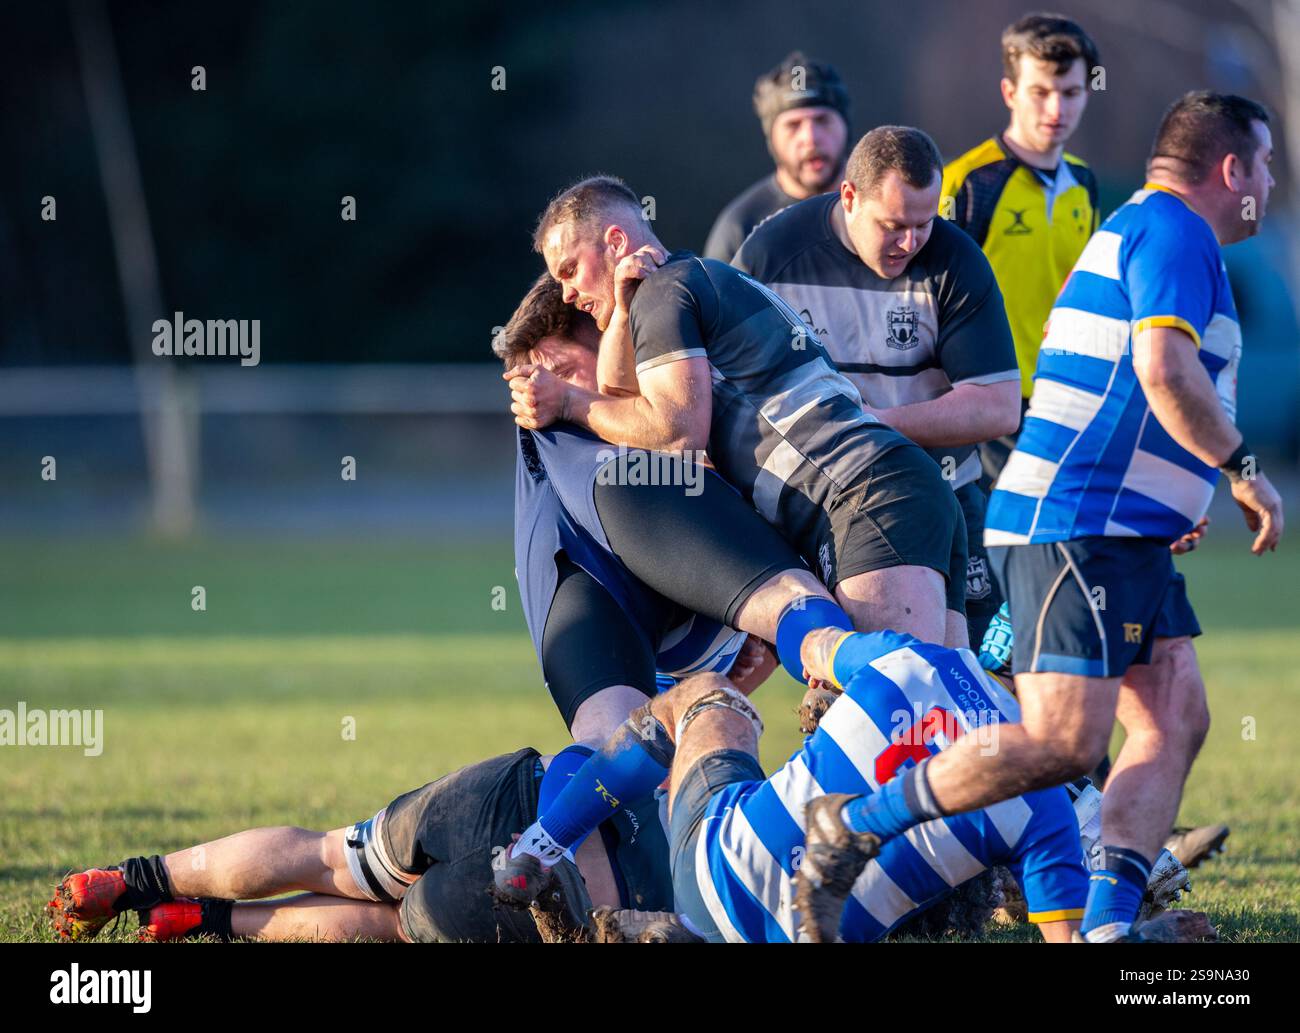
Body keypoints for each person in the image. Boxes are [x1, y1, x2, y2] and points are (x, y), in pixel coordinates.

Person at [795, 91, 1283, 946]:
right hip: (1078, 525)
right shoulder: (1177, 231)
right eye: (1268, 165)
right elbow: (1162, 367)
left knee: (1174, 718)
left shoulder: (1145, 226)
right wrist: (1240, 469)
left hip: (1114, 524)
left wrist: (1166, 491)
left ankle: (1103, 932)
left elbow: (1111, 386)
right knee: (1062, 741)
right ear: (1231, 170)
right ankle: (855, 823)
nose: (1272, 184)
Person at [493, 273, 857, 902]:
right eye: (529, 376)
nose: (535, 390)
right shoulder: (600, 426)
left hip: (597, 580)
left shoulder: (658, 380)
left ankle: (540, 850)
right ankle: (858, 680)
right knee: (795, 609)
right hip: (620, 547)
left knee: (607, 737)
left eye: (550, 369)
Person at [513, 175, 970, 650]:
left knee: (896, 700)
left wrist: (566, 401)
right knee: (949, 714)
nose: (565, 292)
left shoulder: (666, 291)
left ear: (615, 240)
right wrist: (623, 311)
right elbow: (621, 397)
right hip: (898, 490)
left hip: (863, 498)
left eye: (569, 270)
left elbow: (675, 435)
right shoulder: (689, 282)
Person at [734, 125, 1020, 646]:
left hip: (946, 491)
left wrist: (872, 426)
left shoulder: (956, 260)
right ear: (849, 197)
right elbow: (728, 394)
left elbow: (998, 407)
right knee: (847, 673)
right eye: (893, 225)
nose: (910, 242)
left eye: (924, 223)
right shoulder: (771, 255)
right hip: (812, 503)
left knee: (971, 677)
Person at [637, 628, 1093, 943]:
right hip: (800, 935)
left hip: (710, 874)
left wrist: (828, 674)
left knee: (705, 692)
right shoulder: (1047, 805)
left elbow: (811, 641)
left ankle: (584, 827)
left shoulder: (910, 656)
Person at [48, 746, 671, 943]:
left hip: (510, 801)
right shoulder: (751, 912)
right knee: (394, 926)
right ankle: (204, 919)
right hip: (555, 906)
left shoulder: (726, 779)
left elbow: (604, 747)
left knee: (325, 857)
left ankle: (135, 880)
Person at [940, 13, 1101, 486]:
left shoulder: (1085, 185)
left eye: (1070, 93)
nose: (1057, 109)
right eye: (1041, 92)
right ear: (1010, 93)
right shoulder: (967, 182)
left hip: (1063, 398)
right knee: (995, 549)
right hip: (986, 399)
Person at [703, 51, 850, 262]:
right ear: (771, 136)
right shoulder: (741, 229)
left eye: (822, 120)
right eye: (793, 125)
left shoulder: (883, 211)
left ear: (845, 126)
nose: (810, 138)